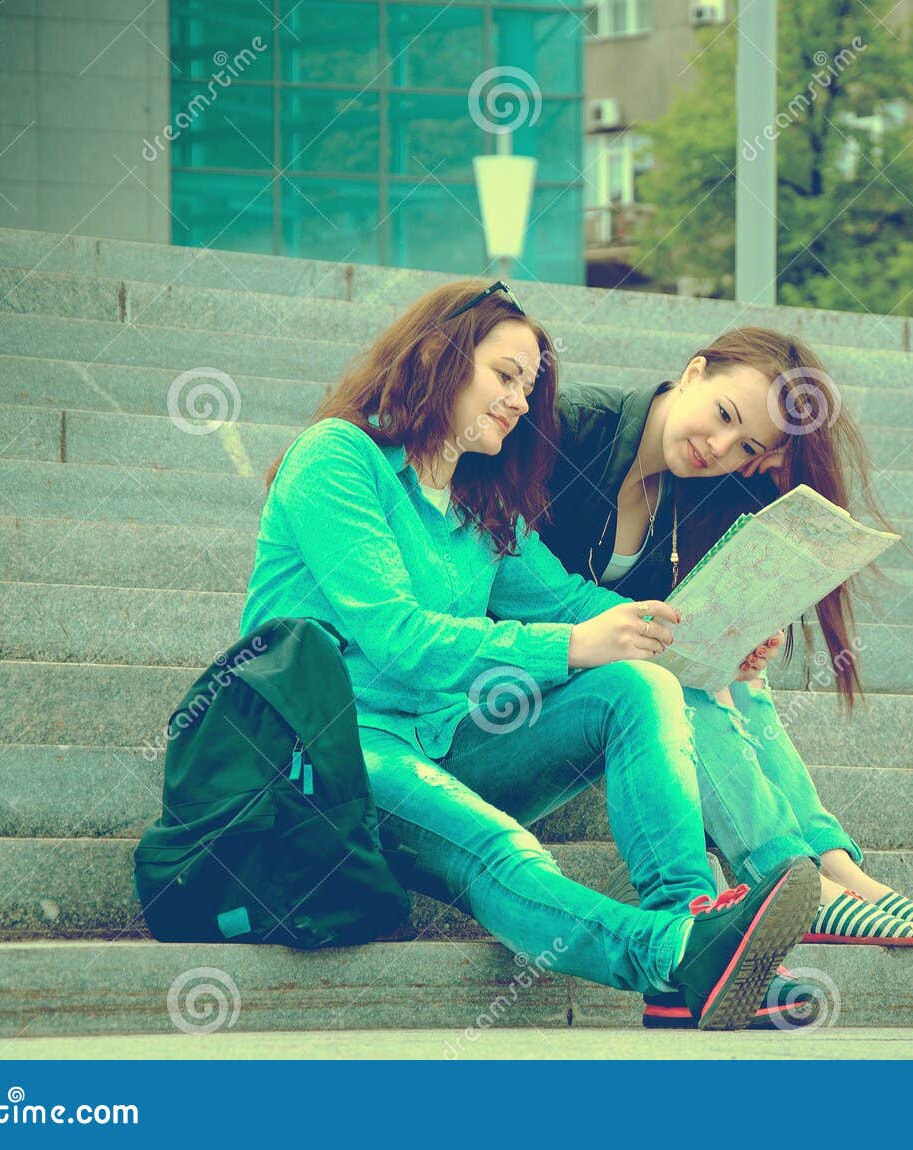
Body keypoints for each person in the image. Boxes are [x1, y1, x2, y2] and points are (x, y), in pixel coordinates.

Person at [240, 282, 819, 1031]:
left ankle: (694, 924)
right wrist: (570, 646)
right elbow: (400, 638)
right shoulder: (340, 459)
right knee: (500, 846)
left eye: (528, 384)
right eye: (504, 375)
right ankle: (674, 958)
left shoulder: (480, 498)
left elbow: (572, 602)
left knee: (635, 686)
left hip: (443, 741)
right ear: (440, 357)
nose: (519, 400)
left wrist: (709, 638)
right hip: (329, 754)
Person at [539, 327, 913, 947]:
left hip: (609, 679)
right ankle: (785, 880)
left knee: (738, 682)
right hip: (524, 679)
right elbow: (510, 580)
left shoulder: (701, 488)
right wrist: (651, 631)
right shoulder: (574, 428)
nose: (717, 448)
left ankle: (836, 869)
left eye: (746, 446)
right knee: (671, 678)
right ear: (693, 372)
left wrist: (735, 642)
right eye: (722, 415)